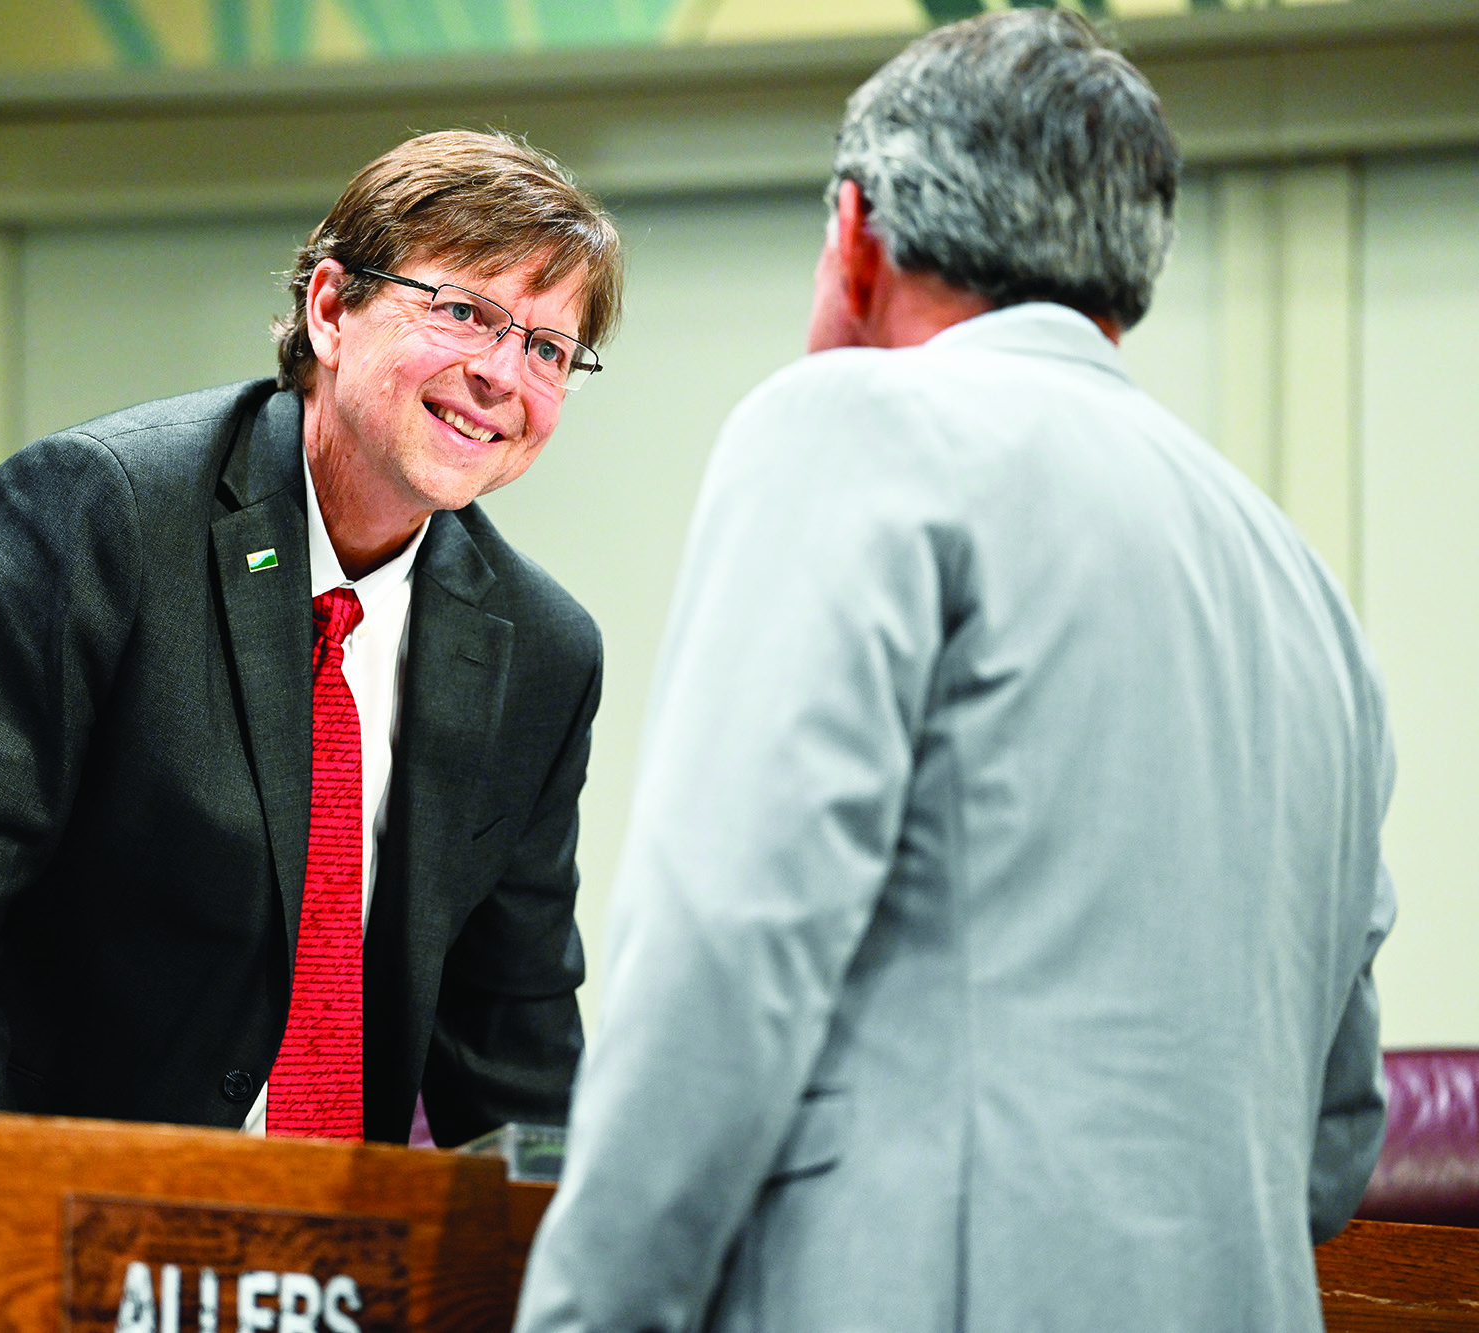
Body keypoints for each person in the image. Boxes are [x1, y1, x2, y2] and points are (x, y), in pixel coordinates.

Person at [514, 12, 1395, 1331]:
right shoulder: (1296, 576)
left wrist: (588, 1315)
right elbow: (1335, 1140)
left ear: (857, 231)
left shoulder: (854, 424)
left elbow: (725, 950)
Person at [0, 130, 622, 1147]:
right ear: (331, 307)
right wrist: (10, 1234)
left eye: (545, 348)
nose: (499, 375)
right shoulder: (90, 518)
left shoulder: (541, 651)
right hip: (41, 1210)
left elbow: (512, 1040)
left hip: (325, 1265)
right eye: (465, 313)